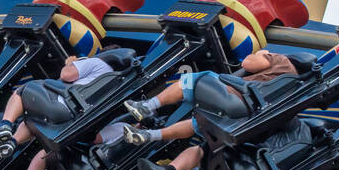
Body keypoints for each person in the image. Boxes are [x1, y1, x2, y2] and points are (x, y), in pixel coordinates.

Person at [120, 49, 297, 145]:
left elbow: (248, 64)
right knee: (199, 122)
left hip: (235, 98)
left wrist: (260, 53)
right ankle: (149, 136)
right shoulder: (295, 88)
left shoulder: (282, 60)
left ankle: (147, 107)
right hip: (245, 118)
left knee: (195, 79)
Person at [0, 52, 125, 161]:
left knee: (24, 91)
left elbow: (66, 76)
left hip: (61, 105)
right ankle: (12, 142)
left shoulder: (97, 63)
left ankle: (4, 126)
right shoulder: (118, 88)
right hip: (70, 123)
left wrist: (70, 63)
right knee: (33, 120)